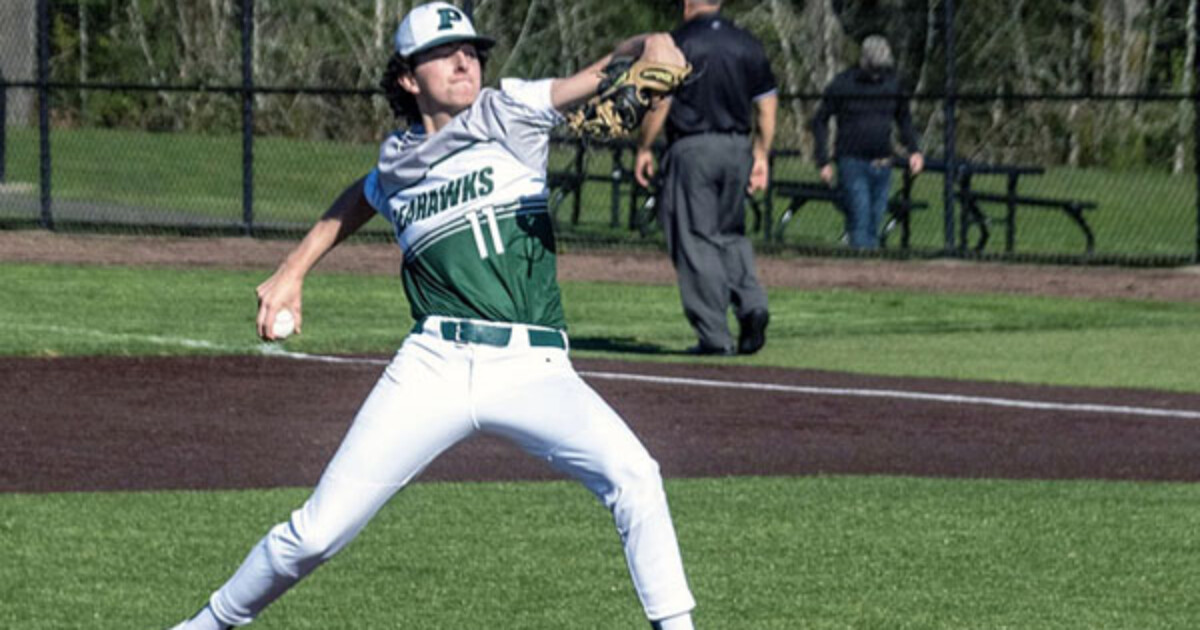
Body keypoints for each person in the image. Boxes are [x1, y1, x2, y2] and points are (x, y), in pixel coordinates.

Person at [168, 3, 697, 629]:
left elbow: (605, 68)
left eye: (471, 49)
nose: (464, 59)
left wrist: (655, 39)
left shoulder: (512, 110)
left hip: (533, 366)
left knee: (636, 474)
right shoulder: (397, 161)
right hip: (434, 364)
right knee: (316, 534)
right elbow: (359, 199)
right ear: (408, 78)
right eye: (445, 53)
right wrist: (293, 270)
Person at [634, 0, 776, 357]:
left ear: (687, 4)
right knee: (730, 233)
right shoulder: (747, 42)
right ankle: (752, 303)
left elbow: (661, 100)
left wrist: (644, 147)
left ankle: (714, 335)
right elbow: (766, 105)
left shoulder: (676, 42)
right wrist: (761, 154)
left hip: (693, 148)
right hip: (736, 147)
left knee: (696, 238)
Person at [811, 35, 924, 250]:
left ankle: (869, 272)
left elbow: (904, 120)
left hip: (883, 164)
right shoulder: (844, 84)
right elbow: (819, 120)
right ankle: (861, 271)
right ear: (864, 61)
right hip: (852, 163)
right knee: (860, 221)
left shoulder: (892, 85)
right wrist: (823, 160)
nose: (877, 73)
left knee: (874, 221)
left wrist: (915, 150)